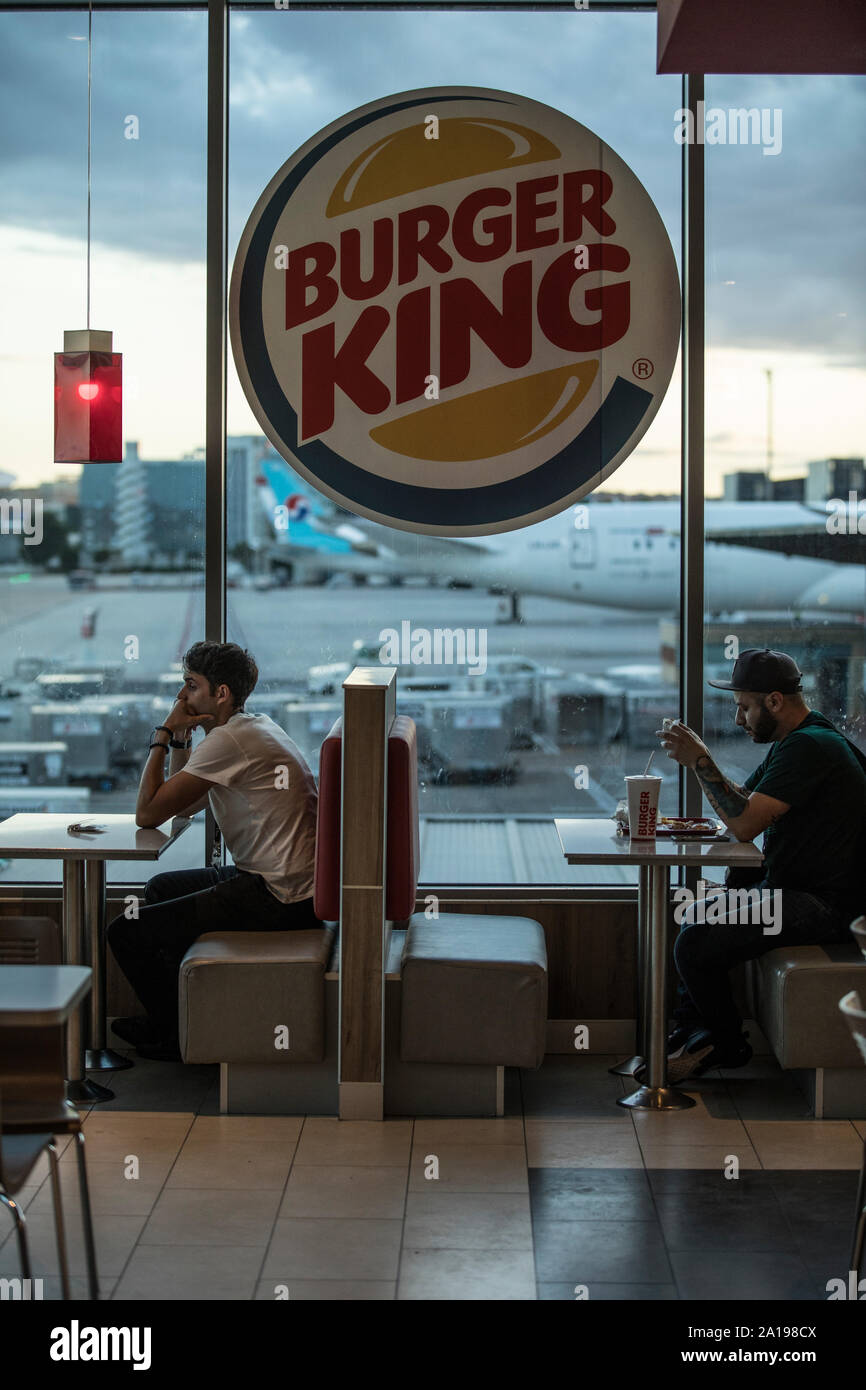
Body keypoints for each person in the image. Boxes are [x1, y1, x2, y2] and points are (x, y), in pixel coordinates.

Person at [650, 648, 866, 1083]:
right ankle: (693, 1032)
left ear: (773, 701)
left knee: (693, 943)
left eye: (744, 707)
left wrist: (699, 761)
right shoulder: (801, 739)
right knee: (695, 910)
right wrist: (704, 764)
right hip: (801, 892)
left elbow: (744, 824)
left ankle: (727, 1044)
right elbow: (743, 805)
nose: (738, 720)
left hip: (825, 905)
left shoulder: (811, 746)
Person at [107, 640, 320, 1061]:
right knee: (160, 888)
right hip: (289, 885)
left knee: (125, 931)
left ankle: (176, 1037)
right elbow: (183, 804)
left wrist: (164, 733)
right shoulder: (248, 729)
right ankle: (178, 1019)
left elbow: (148, 813)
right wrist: (184, 737)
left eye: (190, 685)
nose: (182, 696)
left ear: (219, 694)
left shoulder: (229, 742)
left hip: (279, 896)